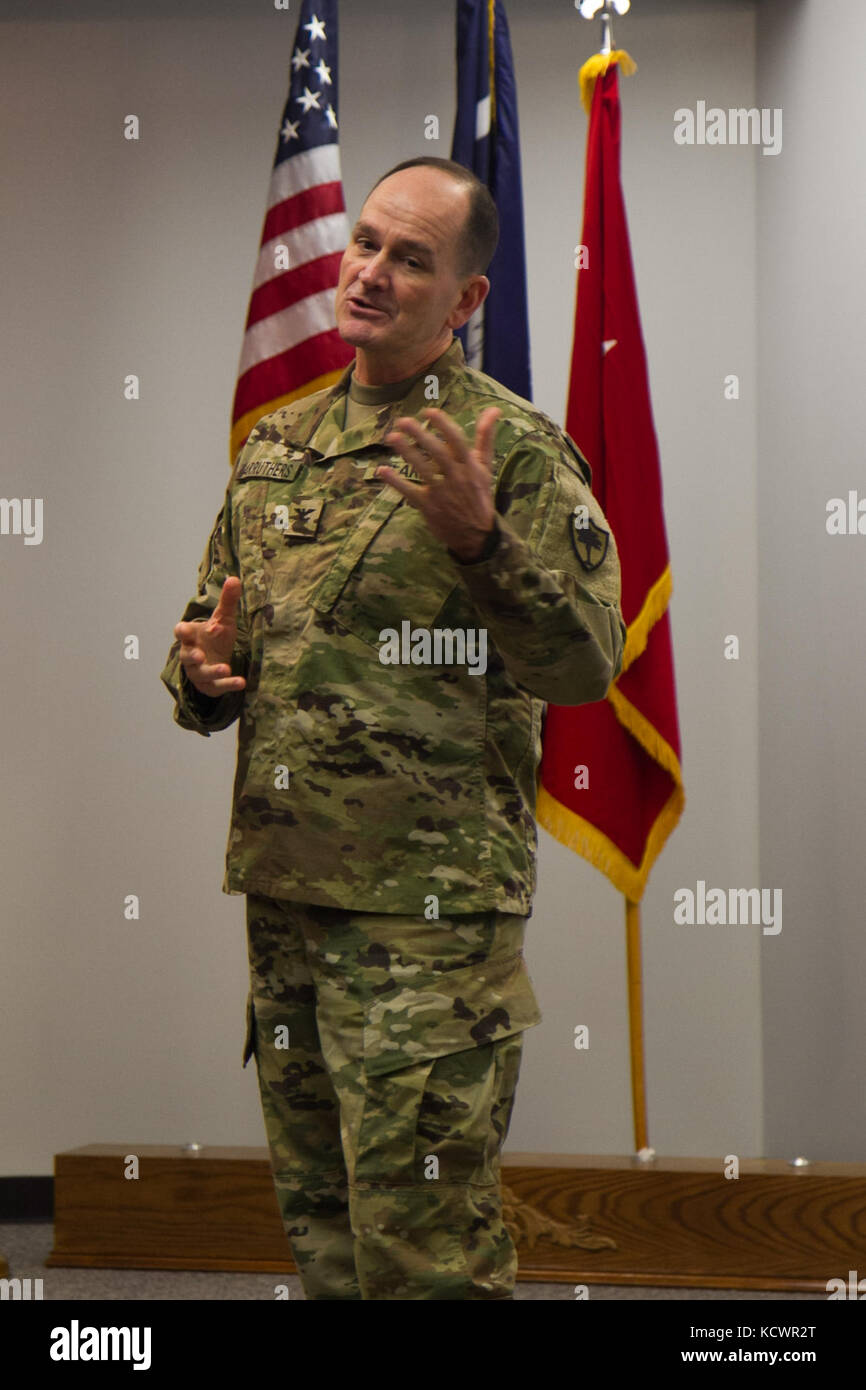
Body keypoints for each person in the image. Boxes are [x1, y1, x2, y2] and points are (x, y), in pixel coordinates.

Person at [160, 156, 626, 1300]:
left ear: (465, 300)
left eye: (408, 257)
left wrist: (482, 545)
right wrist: (206, 679)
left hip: (427, 927)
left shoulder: (505, 451)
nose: (368, 270)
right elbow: (207, 655)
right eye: (365, 241)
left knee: (427, 1255)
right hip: (286, 905)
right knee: (322, 1238)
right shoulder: (276, 450)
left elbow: (582, 667)